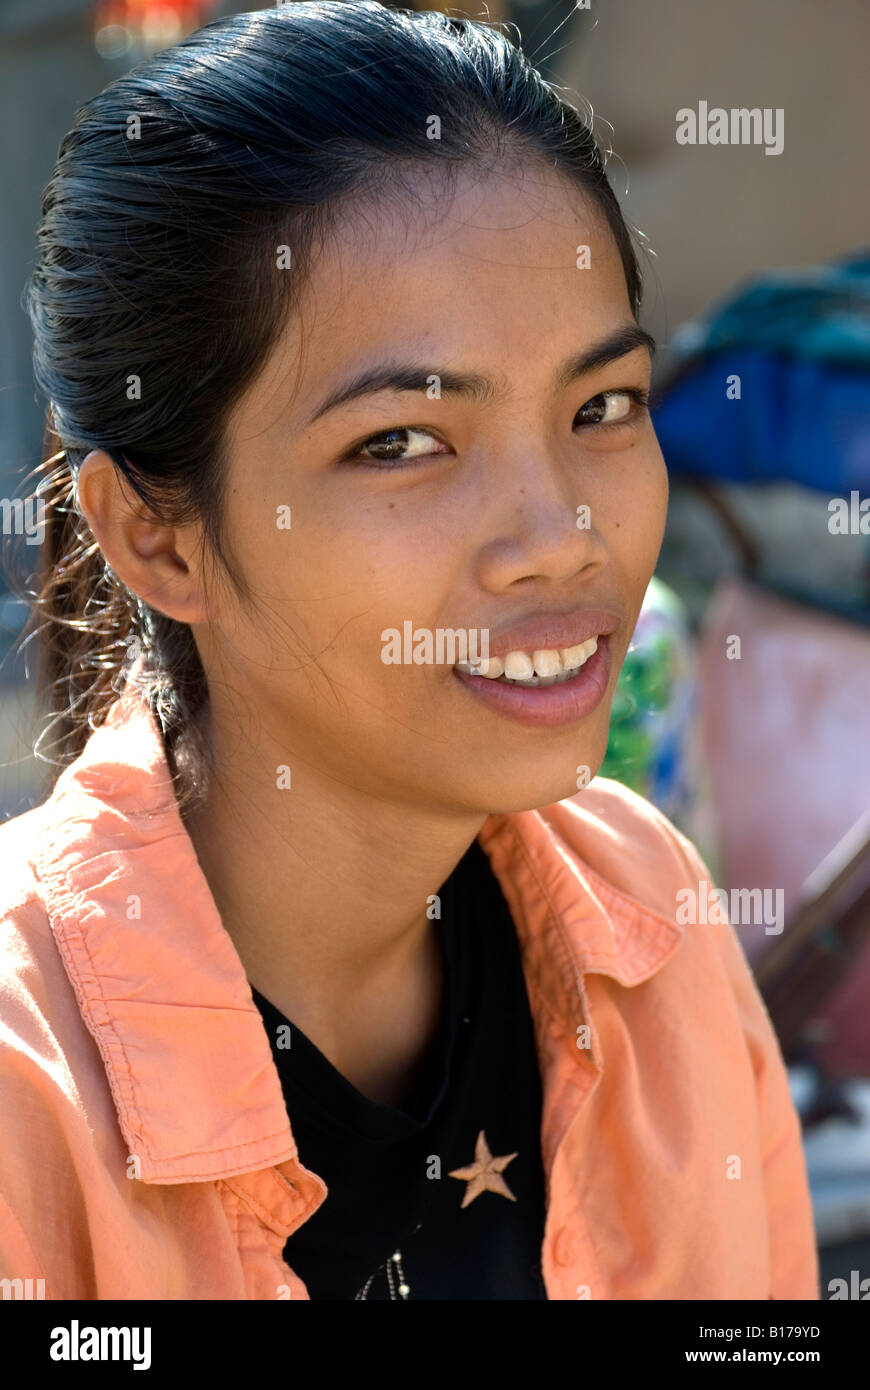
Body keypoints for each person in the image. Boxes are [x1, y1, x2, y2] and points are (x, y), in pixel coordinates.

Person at [0, 1, 817, 1300]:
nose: (560, 538)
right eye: (400, 443)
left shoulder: (649, 919)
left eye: (600, 406)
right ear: (158, 539)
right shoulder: (25, 1092)